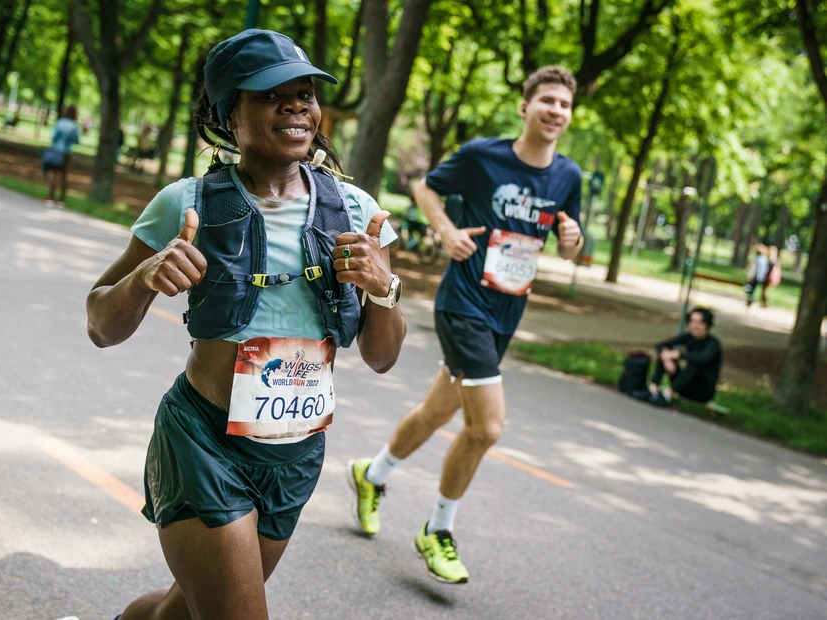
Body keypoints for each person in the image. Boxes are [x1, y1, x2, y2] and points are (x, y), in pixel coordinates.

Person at [86, 29, 405, 619]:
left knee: (179, 612)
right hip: (204, 442)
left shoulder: (358, 211)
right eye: (269, 93)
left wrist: (383, 288)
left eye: (305, 92)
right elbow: (101, 322)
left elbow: (383, 357)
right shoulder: (187, 203)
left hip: (296, 454)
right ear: (228, 113)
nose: (295, 105)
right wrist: (145, 277)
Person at [346, 65, 584, 584]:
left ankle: (373, 473)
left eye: (564, 105)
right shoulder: (484, 156)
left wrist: (571, 240)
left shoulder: (568, 176)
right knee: (487, 427)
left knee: (437, 412)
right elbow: (426, 187)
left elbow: (571, 244)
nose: (555, 111)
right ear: (526, 107)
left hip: (507, 310)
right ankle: (439, 529)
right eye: (546, 100)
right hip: (464, 304)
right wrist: (448, 231)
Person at [640, 307, 722, 406]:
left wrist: (678, 355)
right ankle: (653, 389)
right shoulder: (689, 337)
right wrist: (667, 359)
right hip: (684, 386)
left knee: (694, 362)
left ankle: (667, 395)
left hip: (702, 392)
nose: (694, 326)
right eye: (691, 322)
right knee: (665, 354)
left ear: (707, 324)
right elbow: (661, 345)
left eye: (699, 323)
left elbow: (702, 358)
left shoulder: (713, 344)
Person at [42, 105, 80, 208]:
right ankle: (61, 200)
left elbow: (53, 137)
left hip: (56, 150)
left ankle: (50, 197)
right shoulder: (75, 126)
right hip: (67, 152)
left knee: (53, 173)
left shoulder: (60, 123)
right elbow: (76, 140)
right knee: (64, 176)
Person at [744, 243, 771, 307]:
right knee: (756, 289)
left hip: (755, 276)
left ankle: (750, 299)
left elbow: (754, 269)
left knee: (750, 288)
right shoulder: (765, 259)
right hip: (761, 277)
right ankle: (754, 300)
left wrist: (750, 276)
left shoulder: (757, 259)